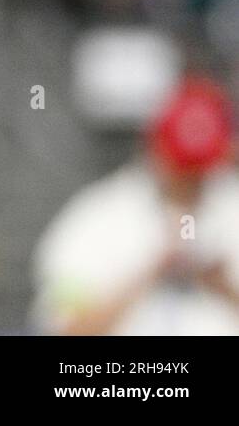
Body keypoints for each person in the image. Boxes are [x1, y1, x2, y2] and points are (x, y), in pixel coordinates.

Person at [32, 76, 239, 335]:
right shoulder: (95, 218)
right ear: (155, 149)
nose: (192, 180)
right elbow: (65, 329)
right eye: (183, 168)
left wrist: (222, 287)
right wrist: (149, 273)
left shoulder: (232, 208)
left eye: (200, 169)